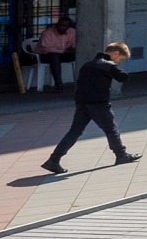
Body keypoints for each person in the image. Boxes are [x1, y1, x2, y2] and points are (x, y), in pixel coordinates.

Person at [40, 42, 141, 173]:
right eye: (120, 58)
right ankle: (121, 155)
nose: (118, 61)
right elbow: (124, 78)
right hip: (98, 103)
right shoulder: (107, 65)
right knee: (111, 129)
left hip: (82, 103)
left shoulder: (87, 64)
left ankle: (53, 160)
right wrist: (113, 67)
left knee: (74, 131)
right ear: (115, 53)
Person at [38, 17, 76, 92]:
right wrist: (62, 51)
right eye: (60, 25)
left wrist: (72, 49)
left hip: (64, 54)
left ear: (68, 27)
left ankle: (83, 83)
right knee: (54, 57)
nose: (61, 27)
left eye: (64, 26)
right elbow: (46, 49)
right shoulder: (48, 33)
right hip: (46, 55)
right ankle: (59, 85)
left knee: (80, 55)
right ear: (56, 25)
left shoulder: (72, 32)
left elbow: (74, 44)